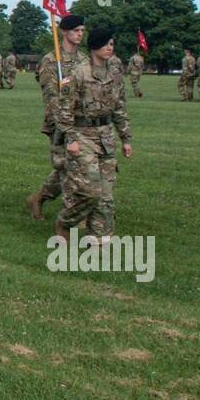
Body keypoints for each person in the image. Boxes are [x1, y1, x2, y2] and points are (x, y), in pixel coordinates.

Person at [52, 26, 132, 243]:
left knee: (106, 195)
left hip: (106, 137)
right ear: (95, 46)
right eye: (106, 43)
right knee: (90, 191)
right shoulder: (78, 73)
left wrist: (126, 138)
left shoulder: (115, 76)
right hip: (82, 135)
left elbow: (120, 109)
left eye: (112, 44)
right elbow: (64, 109)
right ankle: (65, 220)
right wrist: (71, 138)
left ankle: (99, 239)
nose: (109, 48)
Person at [25, 13, 88, 221]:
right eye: (75, 31)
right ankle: (75, 218)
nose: (80, 34)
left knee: (72, 167)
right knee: (67, 167)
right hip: (59, 123)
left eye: (82, 31)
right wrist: (65, 126)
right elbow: (51, 98)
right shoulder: (51, 61)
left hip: (83, 123)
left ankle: (38, 197)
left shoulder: (84, 60)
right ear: (63, 32)